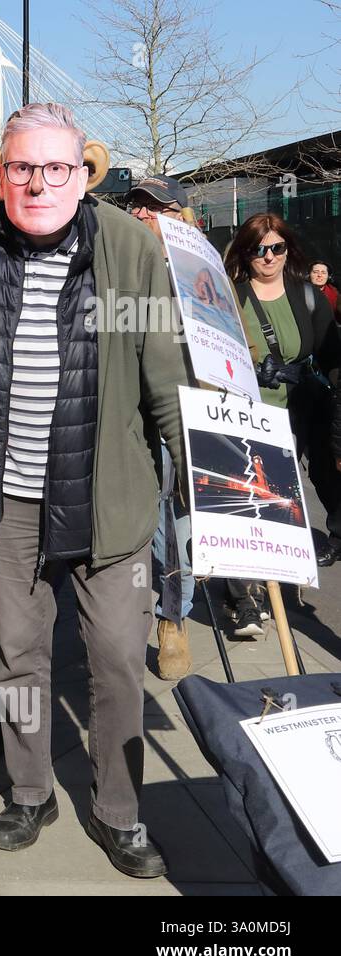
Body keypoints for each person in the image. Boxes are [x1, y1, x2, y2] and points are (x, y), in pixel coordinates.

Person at [0, 102, 189, 879]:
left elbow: (163, 367)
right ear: (1, 174)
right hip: (0, 500)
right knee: (18, 655)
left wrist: (204, 475)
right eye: (22, 166)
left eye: (55, 166)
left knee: (113, 657)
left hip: (107, 496)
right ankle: (31, 790)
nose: (38, 180)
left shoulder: (130, 246)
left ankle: (119, 812)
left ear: (84, 173)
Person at [223, 215, 338, 592]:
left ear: (288, 250)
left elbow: (331, 356)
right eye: (259, 249)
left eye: (277, 248)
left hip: (305, 408)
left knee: (319, 480)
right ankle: (248, 592)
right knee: (258, 498)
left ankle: (314, 549)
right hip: (251, 414)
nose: (269, 257)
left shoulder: (307, 295)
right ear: (245, 252)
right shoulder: (230, 296)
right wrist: (252, 371)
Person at [126, 174, 198, 679]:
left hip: (182, 413)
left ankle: (172, 618)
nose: (142, 214)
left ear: (181, 219)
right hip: (125, 414)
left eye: (155, 207)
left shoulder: (200, 276)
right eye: (136, 206)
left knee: (174, 523)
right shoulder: (114, 267)